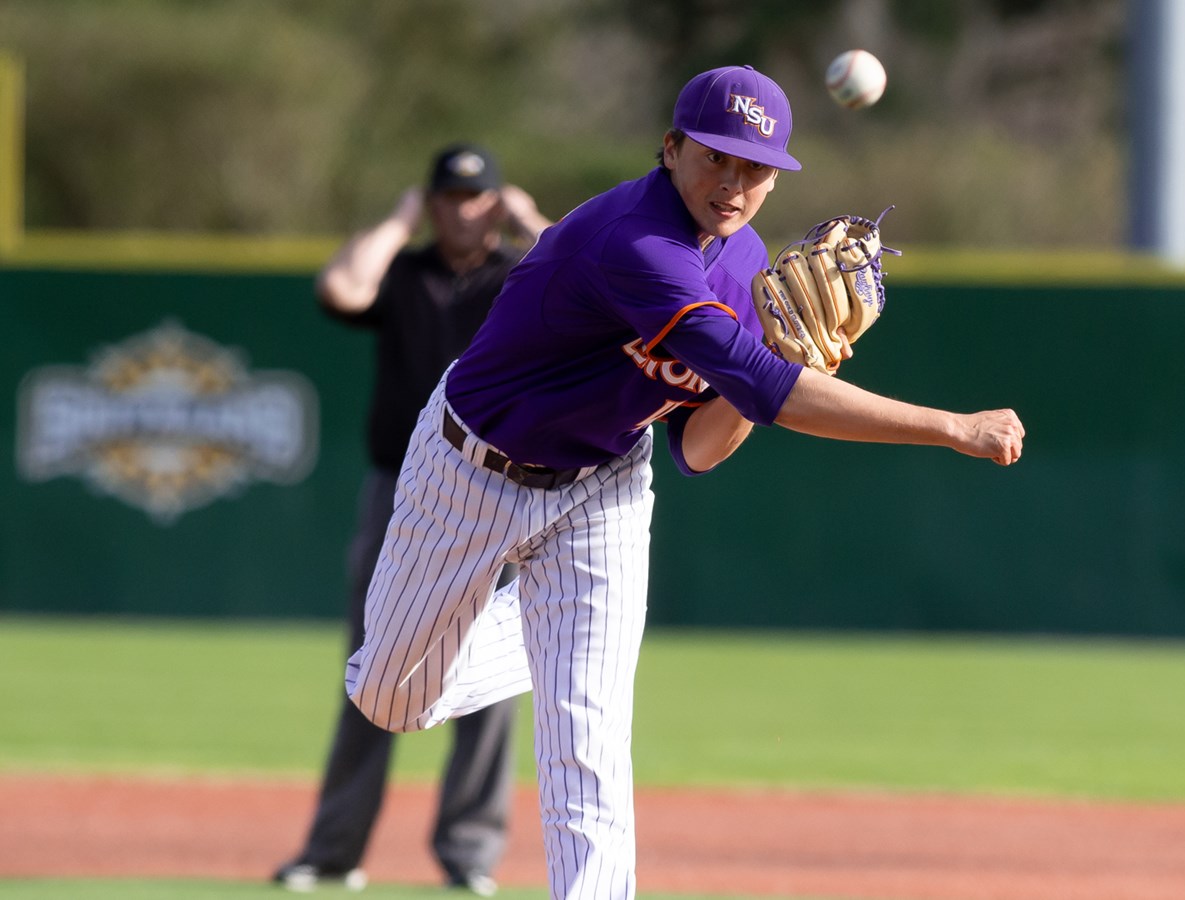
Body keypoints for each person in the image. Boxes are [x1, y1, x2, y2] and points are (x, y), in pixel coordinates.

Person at [342, 66, 1024, 900]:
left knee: (586, 746)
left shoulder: (742, 260)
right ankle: (543, 628)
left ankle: (571, 644)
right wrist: (950, 426)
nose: (735, 185)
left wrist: (787, 353)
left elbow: (700, 448)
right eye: (716, 159)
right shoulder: (637, 241)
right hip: (470, 465)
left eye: (757, 169)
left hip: (604, 484)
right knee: (390, 699)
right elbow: (767, 392)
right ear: (670, 151)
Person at [273, 143, 553, 897]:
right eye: (449, 197)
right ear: (430, 203)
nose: (463, 209)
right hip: (399, 492)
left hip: (500, 493)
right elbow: (341, 286)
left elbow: (597, 283)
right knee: (371, 668)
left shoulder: (521, 276)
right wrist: (396, 223)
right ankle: (333, 852)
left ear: (494, 203)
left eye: (477, 197)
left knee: (487, 678)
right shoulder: (405, 274)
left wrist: (528, 221)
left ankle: (470, 855)